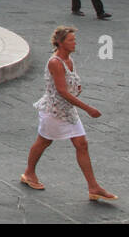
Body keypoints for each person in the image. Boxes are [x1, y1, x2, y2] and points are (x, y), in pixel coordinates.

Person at [21, 26, 117, 201]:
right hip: (54, 110)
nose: (75, 43)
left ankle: (93, 186)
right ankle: (29, 173)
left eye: (74, 40)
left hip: (68, 110)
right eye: (71, 40)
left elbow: (69, 85)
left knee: (81, 144)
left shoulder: (69, 60)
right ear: (60, 43)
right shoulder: (55, 62)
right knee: (43, 142)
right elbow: (62, 92)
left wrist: (76, 88)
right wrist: (88, 108)